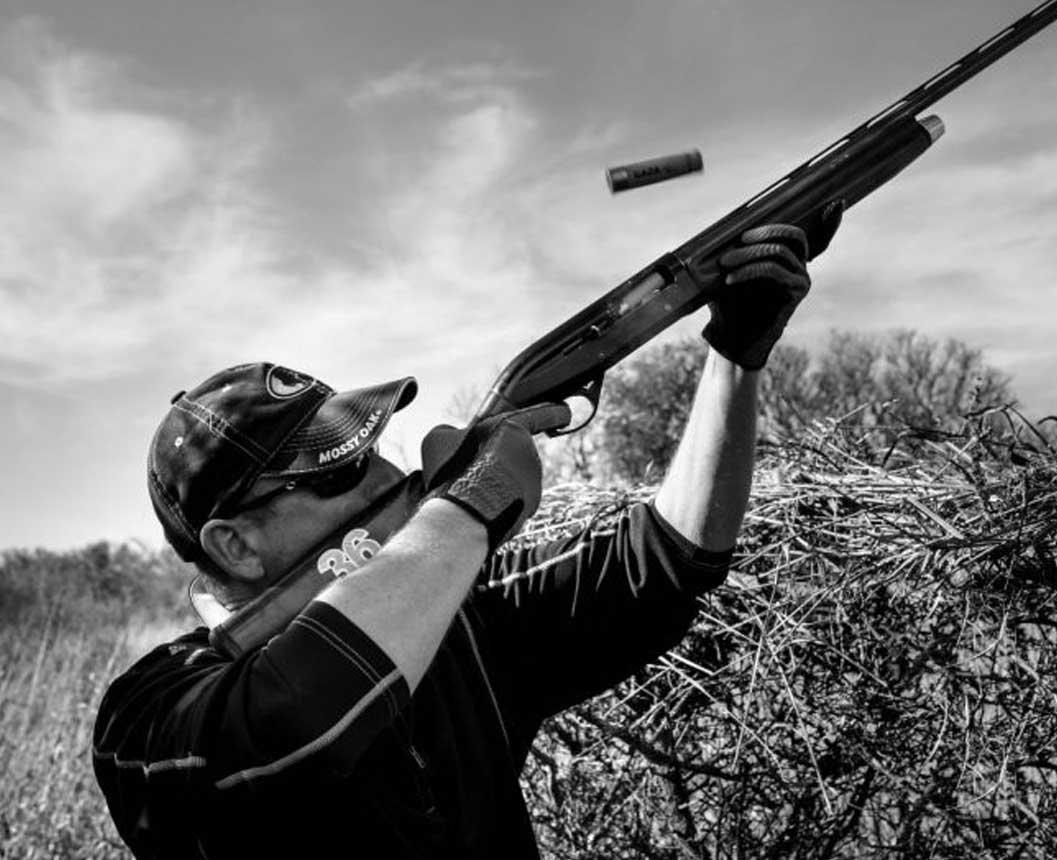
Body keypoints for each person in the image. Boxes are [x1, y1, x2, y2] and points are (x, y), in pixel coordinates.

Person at [92, 213, 840, 859]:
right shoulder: (148, 722)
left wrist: (734, 359)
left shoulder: (457, 613)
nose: (387, 476)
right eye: (336, 473)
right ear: (236, 547)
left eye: (370, 447)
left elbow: (669, 557)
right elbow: (293, 724)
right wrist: (469, 507)